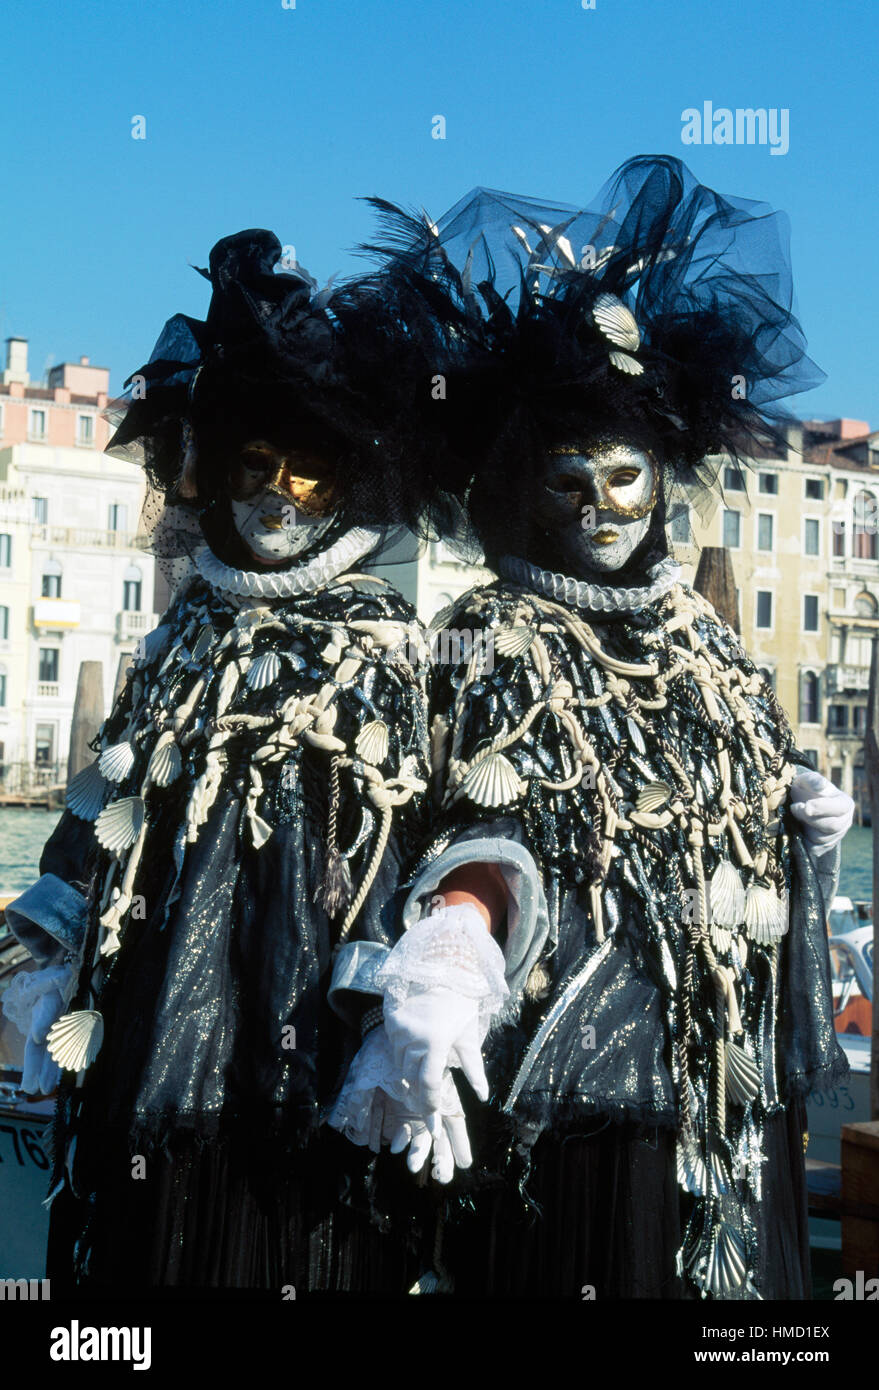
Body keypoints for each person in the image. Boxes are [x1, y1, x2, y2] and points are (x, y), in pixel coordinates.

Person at [330, 157, 854, 1298]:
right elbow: (488, 814)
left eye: (627, 476)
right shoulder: (495, 629)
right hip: (590, 1092)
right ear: (528, 486)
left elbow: (735, 794)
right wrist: (456, 948)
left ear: (665, 480)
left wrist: (800, 823)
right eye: (573, 479)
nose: (604, 507)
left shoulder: (706, 640)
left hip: (733, 1086)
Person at [2, 228, 443, 1292]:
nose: (280, 492)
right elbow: (111, 791)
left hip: (307, 1020)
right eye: (257, 463)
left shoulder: (382, 638)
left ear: (346, 483)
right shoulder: (185, 635)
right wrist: (44, 933)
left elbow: (407, 832)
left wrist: (411, 993)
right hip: (156, 1014)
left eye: (308, 469)